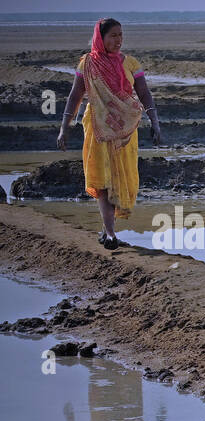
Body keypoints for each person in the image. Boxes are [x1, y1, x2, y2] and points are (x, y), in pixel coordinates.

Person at [55, 18, 162, 249]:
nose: (118, 40)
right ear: (100, 38)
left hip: (125, 132)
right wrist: (64, 127)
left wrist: (155, 121)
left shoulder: (131, 63)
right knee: (103, 181)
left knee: (119, 179)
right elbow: (75, 96)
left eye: (120, 35)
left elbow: (144, 94)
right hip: (98, 128)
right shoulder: (87, 64)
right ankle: (112, 234)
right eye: (113, 35)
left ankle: (106, 230)